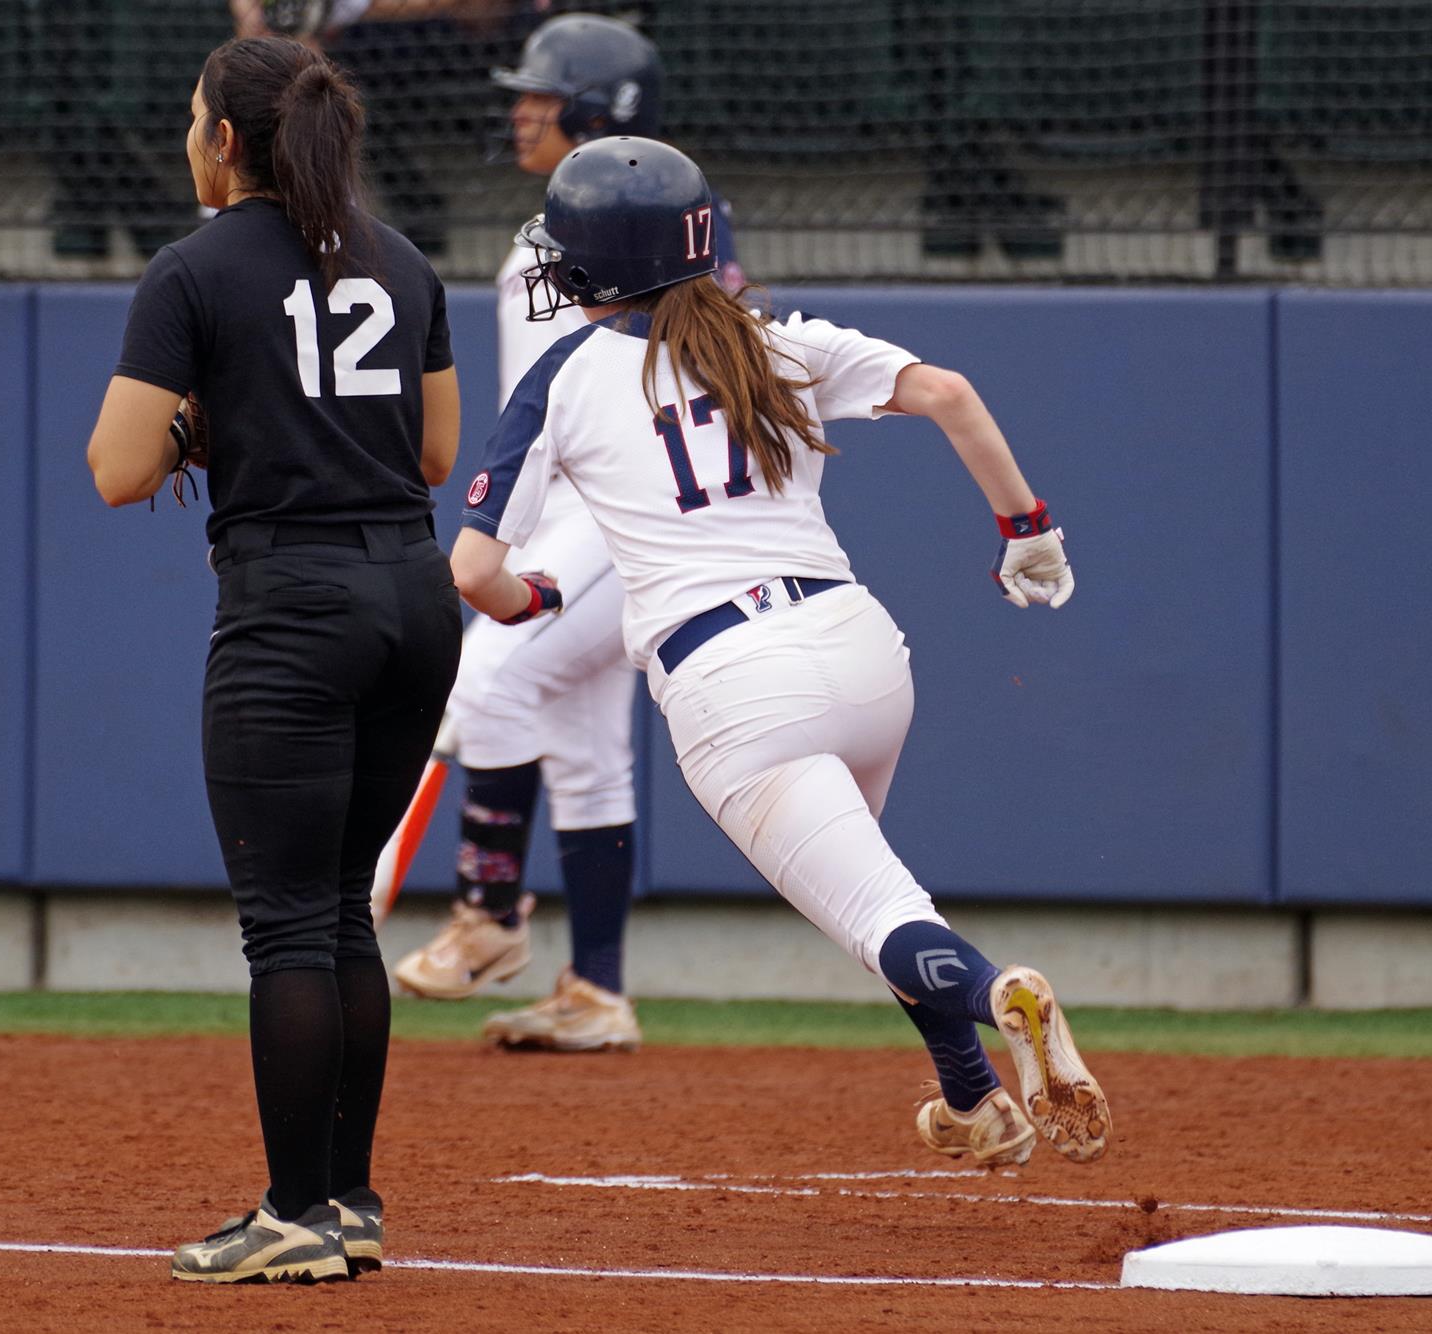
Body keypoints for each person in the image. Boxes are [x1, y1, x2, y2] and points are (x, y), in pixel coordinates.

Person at [449, 135, 1111, 1168]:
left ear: (589, 266)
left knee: (881, 917)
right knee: (882, 893)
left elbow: (471, 572)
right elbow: (950, 395)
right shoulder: (774, 340)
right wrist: (1025, 528)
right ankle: (971, 1095)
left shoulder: (564, 375)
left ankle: (996, 993)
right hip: (859, 650)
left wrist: (533, 595)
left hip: (732, 686)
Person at [86, 34, 462, 1283]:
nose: (184, 139)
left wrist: (205, 419)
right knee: (339, 907)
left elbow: (117, 469)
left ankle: (291, 1212)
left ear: (227, 140)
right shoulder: (402, 258)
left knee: (286, 925)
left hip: (292, 603)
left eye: (193, 120)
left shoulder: (190, 269)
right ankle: (345, 1201)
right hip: (411, 592)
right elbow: (430, 455)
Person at [392, 13, 733, 1054]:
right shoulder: (676, 221)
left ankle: (488, 916)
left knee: (489, 679)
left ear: (599, 114)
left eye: (539, 97)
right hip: (609, 507)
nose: (519, 111)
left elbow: (567, 405)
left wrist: (510, 532)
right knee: (584, 748)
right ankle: (596, 988)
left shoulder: (621, 232)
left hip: (615, 511)